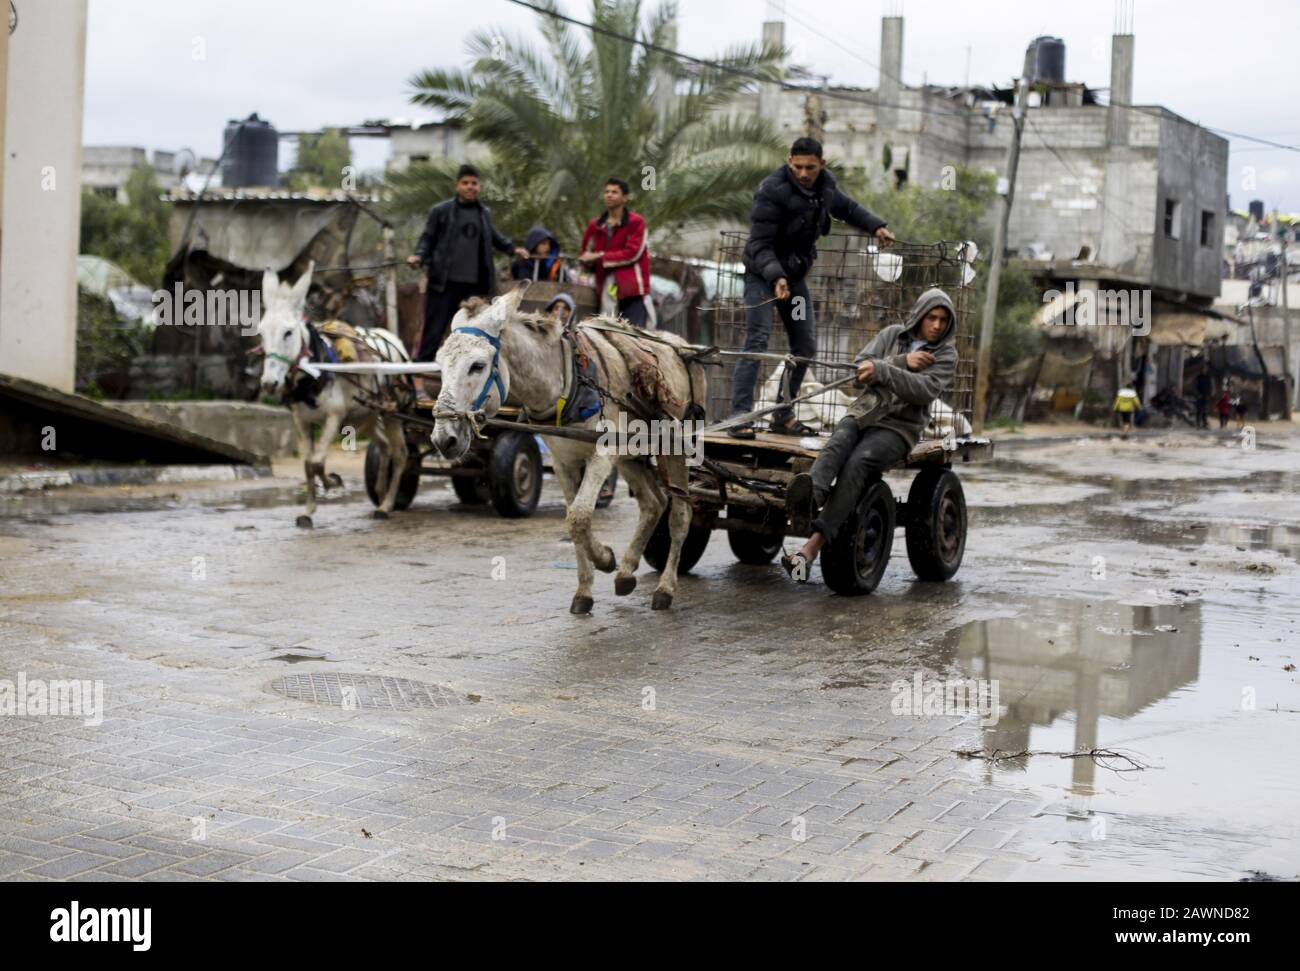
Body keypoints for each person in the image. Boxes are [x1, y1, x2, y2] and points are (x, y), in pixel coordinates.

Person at [779, 289, 958, 584]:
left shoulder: (946, 354)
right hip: (864, 413)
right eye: (932, 317)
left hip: (900, 428)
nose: (937, 325)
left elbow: (923, 390)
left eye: (943, 320)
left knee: (858, 463)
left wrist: (884, 369)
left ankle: (809, 551)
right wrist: (902, 361)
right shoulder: (892, 335)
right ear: (920, 316)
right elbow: (860, 365)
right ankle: (810, 499)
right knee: (838, 443)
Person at [728, 136, 895, 440]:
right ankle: (740, 416)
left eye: (811, 167)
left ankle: (783, 413)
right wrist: (776, 277)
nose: (804, 174)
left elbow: (848, 208)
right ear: (789, 161)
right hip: (762, 275)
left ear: (822, 165)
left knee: (804, 345)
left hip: (793, 278)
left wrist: (876, 226)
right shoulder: (771, 190)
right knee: (757, 339)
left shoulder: (825, 186)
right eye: (798, 167)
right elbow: (760, 244)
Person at [407, 164, 529, 362]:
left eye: (474, 183)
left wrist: (513, 250)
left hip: (474, 288)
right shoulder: (441, 211)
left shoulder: (484, 213)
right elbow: (427, 239)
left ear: (479, 186)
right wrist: (418, 256)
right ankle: (420, 379)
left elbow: (495, 237)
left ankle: (465, 374)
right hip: (443, 284)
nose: (470, 187)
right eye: (466, 183)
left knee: (471, 333)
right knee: (433, 331)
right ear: (457, 185)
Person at [579, 177, 655, 329]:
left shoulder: (636, 222)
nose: (609, 195)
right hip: (603, 290)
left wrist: (601, 256)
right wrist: (586, 261)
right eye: (606, 191)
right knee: (607, 335)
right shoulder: (596, 225)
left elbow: (633, 253)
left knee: (635, 335)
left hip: (632, 291)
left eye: (614, 192)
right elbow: (585, 252)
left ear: (625, 198)